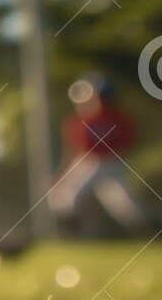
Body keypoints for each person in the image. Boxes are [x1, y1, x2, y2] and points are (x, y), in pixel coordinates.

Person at [49, 76, 147, 236]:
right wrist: (63, 171)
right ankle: (70, 235)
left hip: (111, 162)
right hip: (88, 162)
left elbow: (128, 143)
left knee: (124, 205)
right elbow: (73, 151)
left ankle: (149, 233)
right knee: (63, 197)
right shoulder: (77, 121)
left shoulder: (119, 118)